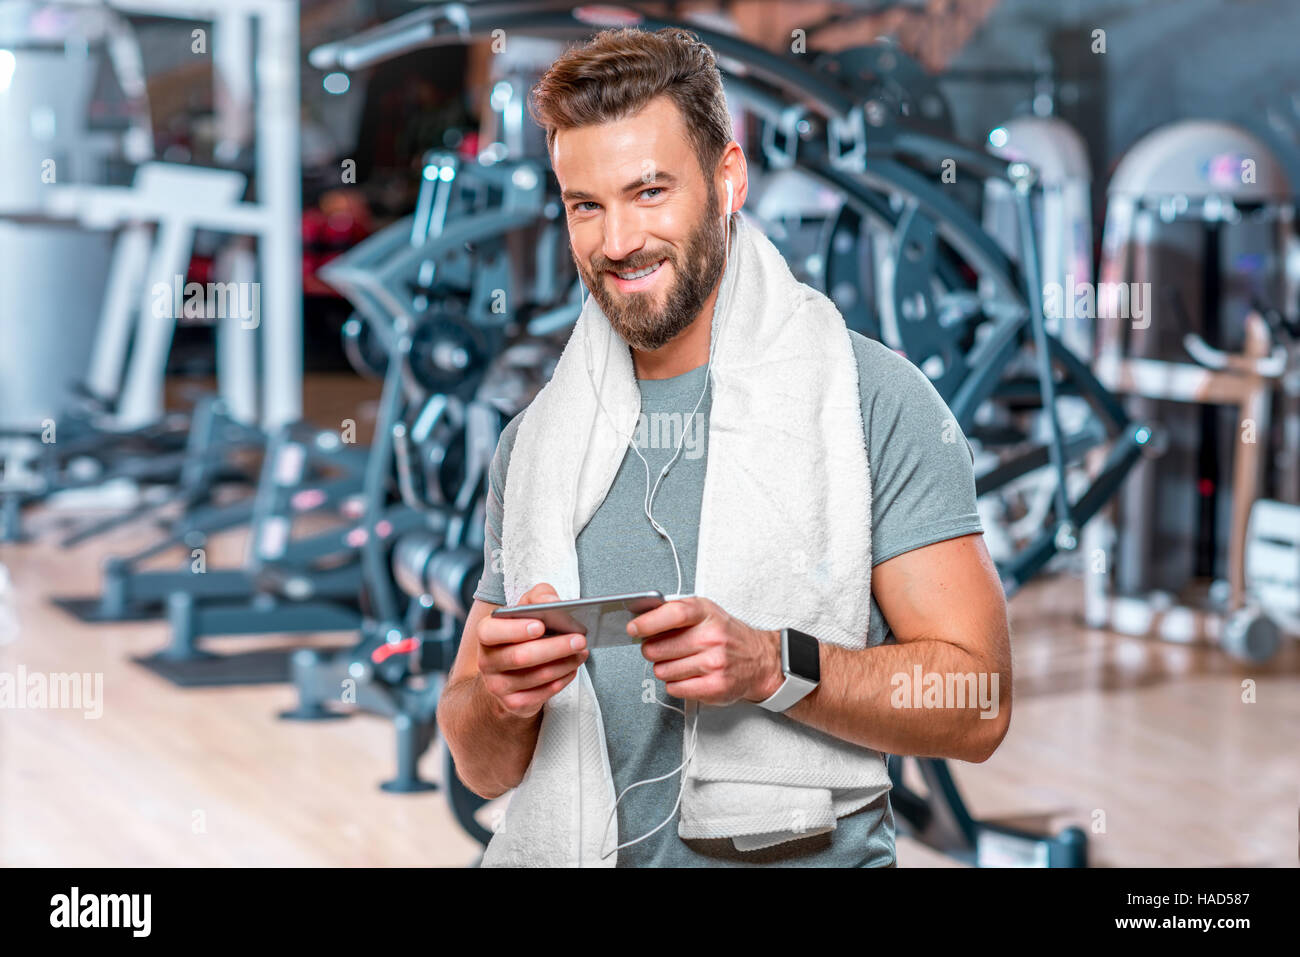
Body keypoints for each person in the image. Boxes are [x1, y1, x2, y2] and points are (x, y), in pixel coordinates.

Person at [436, 26, 1011, 867]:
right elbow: (480, 764)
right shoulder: (537, 443)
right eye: (585, 205)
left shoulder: (869, 401)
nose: (618, 240)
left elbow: (979, 701)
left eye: (650, 192)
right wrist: (500, 698)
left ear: (727, 180)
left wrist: (776, 665)